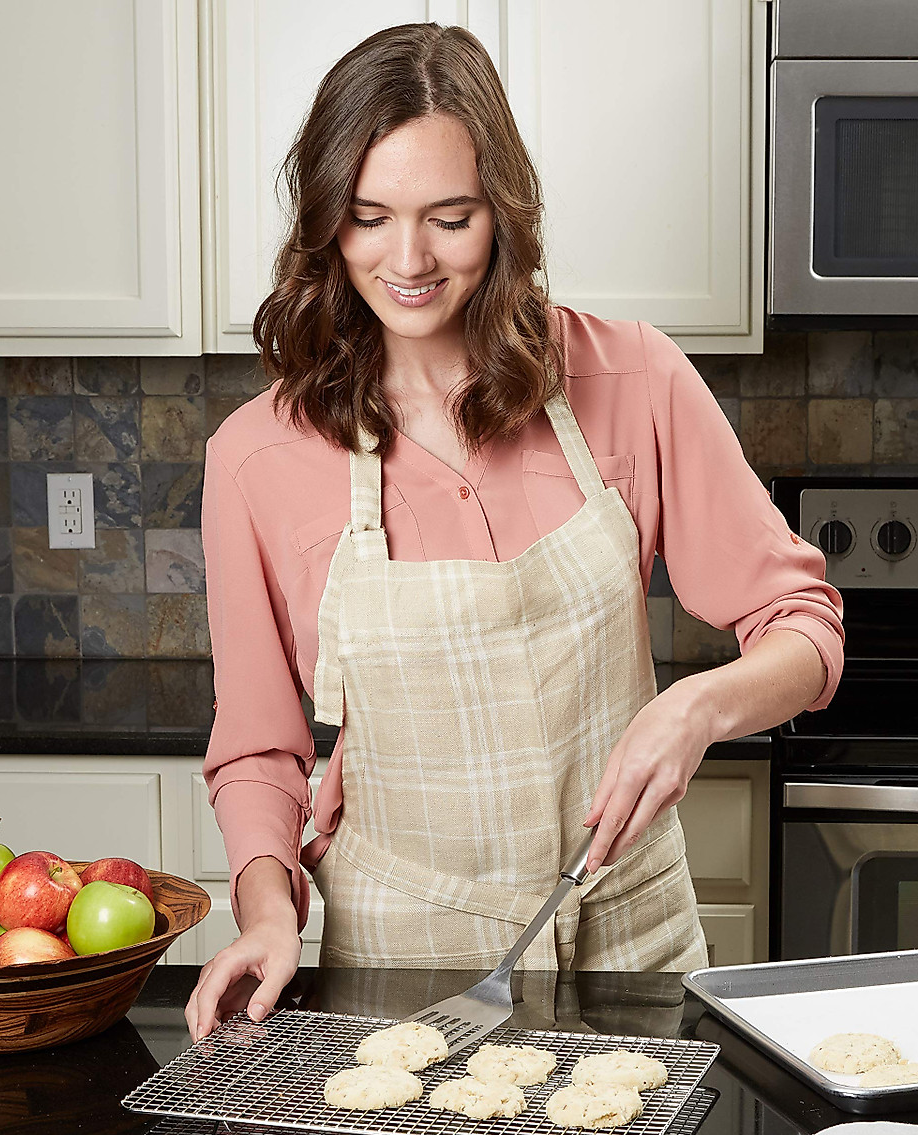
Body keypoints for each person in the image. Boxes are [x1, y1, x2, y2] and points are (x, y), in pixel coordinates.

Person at [185, 23, 843, 1042]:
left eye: (450, 218)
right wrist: (268, 911)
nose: (407, 260)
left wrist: (701, 706)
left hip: (635, 949)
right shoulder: (255, 459)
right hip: (407, 966)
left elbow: (802, 625)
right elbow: (259, 753)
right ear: (326, 222)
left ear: (503, 215)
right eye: (368, 218)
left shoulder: (632, 381)